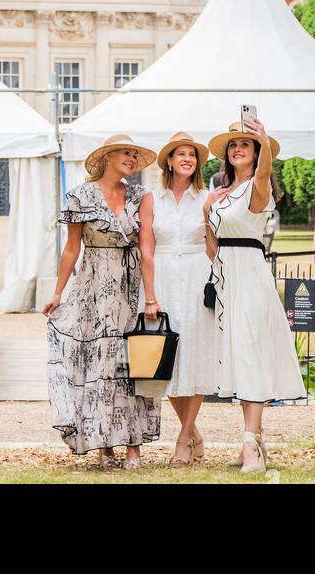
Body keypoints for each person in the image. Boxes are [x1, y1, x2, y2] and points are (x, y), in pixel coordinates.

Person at [42, 133, 161, 469]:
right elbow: (71, 249)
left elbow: (147, 248)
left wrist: (151, 297)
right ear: (107, 157)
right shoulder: (80, 196)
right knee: (96, 362)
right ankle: (103, 443)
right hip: (91, 288)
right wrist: (57, 292)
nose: (131, 159)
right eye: (125, 153)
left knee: (131, 363)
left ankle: (134, 445)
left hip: (129, 287)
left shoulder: (141, 196)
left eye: (134, 155)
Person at [205, 117, 306, 475]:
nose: (236, 149)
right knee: (238, 354)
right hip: (225, 275)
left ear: (256, 152)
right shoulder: (220, 192)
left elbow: (263, 175)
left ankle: (250, 444)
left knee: (249, 352)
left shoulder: (257, 187)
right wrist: (207, 211)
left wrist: (264, 140)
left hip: (250, 273)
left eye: (244, 145)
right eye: (233, 145)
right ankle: (256, 439)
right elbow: (211, 243)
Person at [137, 131, 216, 467]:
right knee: (165, 359)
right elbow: (146, 248)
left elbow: (214, 244)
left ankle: (183, 438)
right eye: (180, 154)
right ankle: (194, 432)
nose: (187, 159)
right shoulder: (152, 198)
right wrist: (151, 295)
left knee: (195, 354)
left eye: (192, 155)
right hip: (164, 277)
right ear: (169, 160)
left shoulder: (208, 197)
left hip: (198, 274)